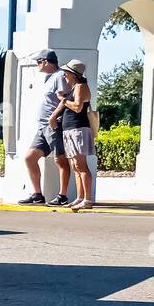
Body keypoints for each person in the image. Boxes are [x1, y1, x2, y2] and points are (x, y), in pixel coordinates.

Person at [18, 50, 73, 205]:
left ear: (46, 61)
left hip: (53, 125)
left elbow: (64, 99)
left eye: (38, 61)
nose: (37, 65)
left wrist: (53, 118)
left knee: (60, 159)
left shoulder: (60, 76)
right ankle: (37, 194)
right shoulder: (48, 78)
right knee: (30, 158)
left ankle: (62, 196)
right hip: (42, 126)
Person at [49, 59, 95, 211]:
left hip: (78, 130)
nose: (64, 76)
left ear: (72, 74)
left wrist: (63, 99)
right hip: (71, 130)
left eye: (66, 73)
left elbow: (77, 107)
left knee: (81, 166)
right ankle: (80, 197)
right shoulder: (75, 87)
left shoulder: (80, 87)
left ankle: (87, 199)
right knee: (75, 166)